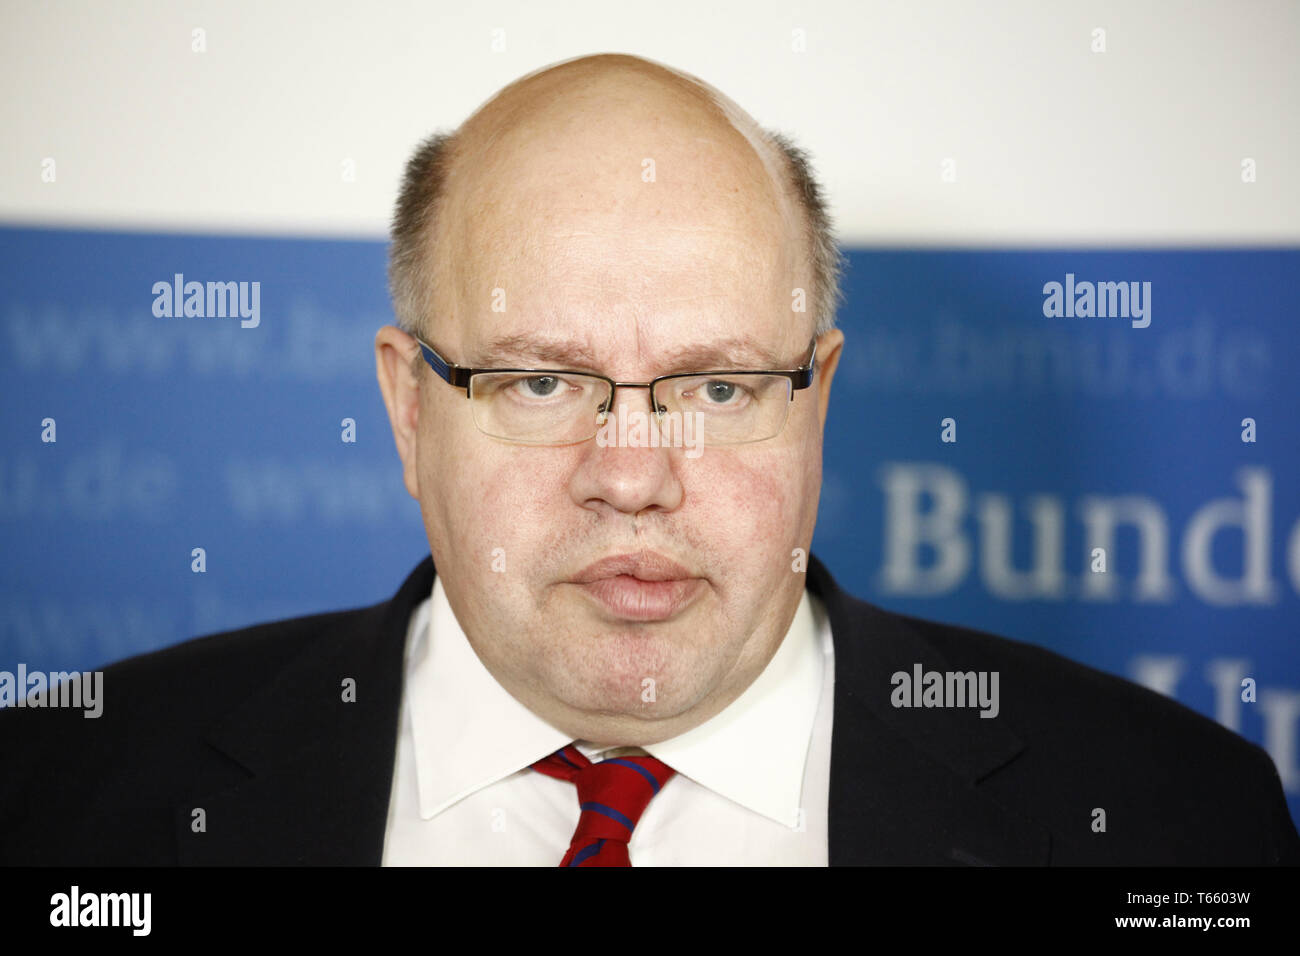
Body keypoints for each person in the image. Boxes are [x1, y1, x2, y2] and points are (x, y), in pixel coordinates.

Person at [1, 53, 1296, 866]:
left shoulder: (1168, 810)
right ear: (407, 409)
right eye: (541, 378)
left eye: (720, 385)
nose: (630, 475)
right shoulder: (64, 790)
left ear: (819, 400)